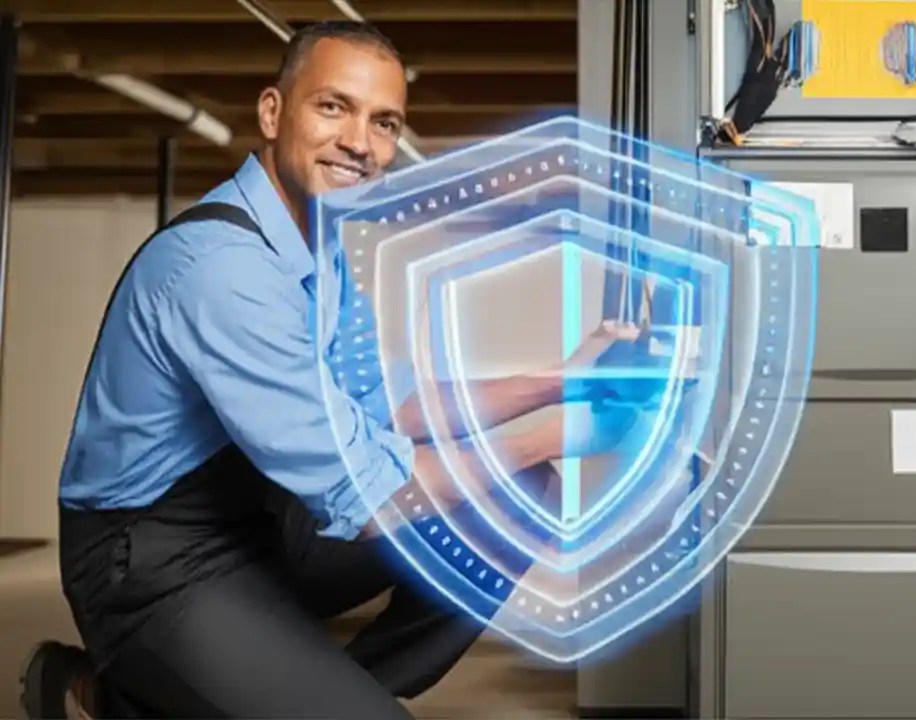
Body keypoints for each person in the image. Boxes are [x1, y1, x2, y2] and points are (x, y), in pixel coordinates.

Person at [19, 20, 642, 720]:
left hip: (266, 520)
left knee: (520, 494)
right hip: (153, 562)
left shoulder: (322, 251)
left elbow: (393, 407)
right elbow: (370, 498)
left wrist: (562, 379)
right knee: (514, 466)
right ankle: (128, 692)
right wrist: (552, 434)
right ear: (272, 112)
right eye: (333, 107)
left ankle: (334, 689)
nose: (360, 142)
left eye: (384, 122)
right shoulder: (224, 270)